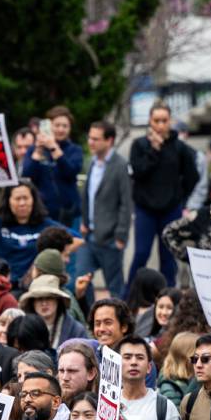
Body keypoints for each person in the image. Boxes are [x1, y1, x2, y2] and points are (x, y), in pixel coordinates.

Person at [128, 103, 199, 288]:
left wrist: (180, 199)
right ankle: (129, 297)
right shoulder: (139, 145)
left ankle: (168, 297)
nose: (160, 125)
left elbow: (192, 176)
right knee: (141, 253)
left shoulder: (180, 147)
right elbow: (137, 172)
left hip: (170, 208)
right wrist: (154, 150)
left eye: (164, 120)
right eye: (156, 120)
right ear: (150, 122)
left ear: (170, 122)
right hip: (145, 208)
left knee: (168, 256)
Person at [79, 120, 132, 298]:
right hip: (89, 235)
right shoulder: (92, 162)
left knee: (115, 289)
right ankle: (89, 319)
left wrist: (120, 236)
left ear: (109, 141)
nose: (90, 142)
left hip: (110, 238)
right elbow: (88, 195)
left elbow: (126, 202)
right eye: (89, 138)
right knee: (81, 279)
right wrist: (85, 221)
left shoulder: (120, 165)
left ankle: (120, 323)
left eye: (96, 139)